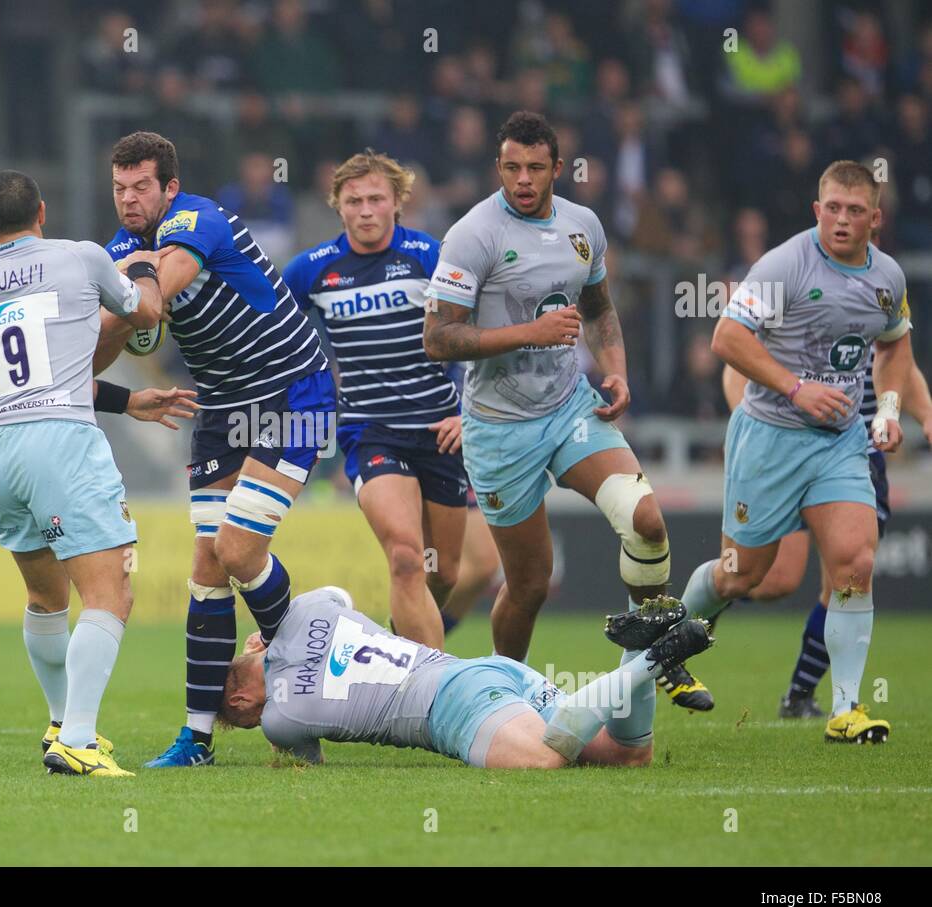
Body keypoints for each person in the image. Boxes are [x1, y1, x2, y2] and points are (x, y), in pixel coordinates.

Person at [422, 111, 707, 712]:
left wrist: (616, 369)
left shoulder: (584, 226)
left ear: (557, 167)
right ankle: (505, 700)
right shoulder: (472, 235)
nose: (522, 180)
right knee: (529, 585)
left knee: (646, 519)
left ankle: (660, 651)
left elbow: (599, 308)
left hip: (569, 408)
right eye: (511, 168)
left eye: (534, 168)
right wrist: (530, 332)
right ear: (498, 168)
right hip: (499, 429)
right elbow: (438, 338)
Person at [95, 131, 336, 768]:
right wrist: (94, 383)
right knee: (206, 565)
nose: (128, 199)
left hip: (292, 391)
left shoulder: (198, 219)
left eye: (141, 186)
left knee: (236, 549)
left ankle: (307, 684)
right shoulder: (120, 249)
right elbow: (107, 338)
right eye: (119, 188)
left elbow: (150, 305)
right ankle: (197, 739)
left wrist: (125, 288)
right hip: (222, 407)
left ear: (169, 188)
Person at [0, 169, 192, 777]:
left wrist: (125, 401)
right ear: (42, 213)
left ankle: (61, 724)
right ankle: (79, 741)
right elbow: (148, 314)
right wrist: (142, 266)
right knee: (110, 594)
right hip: (61, 442)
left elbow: (34, 371)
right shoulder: (81, 257)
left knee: (45, 597)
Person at [677, 161, 914, 744]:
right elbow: (727, 338)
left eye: (854, 210)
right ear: (816, 210)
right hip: (771, 437)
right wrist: (795, 388)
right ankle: (668, 642)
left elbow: (894, 346)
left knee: (855, 563)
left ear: (875, 219)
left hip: (839, 443)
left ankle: (845, 709)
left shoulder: (888, 277)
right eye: (832, 208)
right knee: (742, 575)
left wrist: (887, 409)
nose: (841, 219)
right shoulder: (784, 265)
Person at [283, 150, 465, 649]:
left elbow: (476, 336)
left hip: (441, 431)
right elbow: (274, 331)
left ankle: (401, 641)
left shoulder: (431, 256)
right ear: (337, 206)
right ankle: (432, 689)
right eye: (354, 201)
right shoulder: (312, 270)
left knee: (443, 573)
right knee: (406, 558)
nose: (365, 210)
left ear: (397, 202)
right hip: (371, 432)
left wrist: (468, 414)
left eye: (376, 199)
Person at [217, 589, 712, 769]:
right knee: (627, 755)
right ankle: (638, 649)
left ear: (239, 701)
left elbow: (306, 759)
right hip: (488, 670)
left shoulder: (280, 718)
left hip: (453, 708)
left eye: (244, 721)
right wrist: (268, 639)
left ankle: (651, 659)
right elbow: (338, 594)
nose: (256, 723)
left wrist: (274, 725)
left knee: (545, 759)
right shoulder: (307, 609)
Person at [719, 355, 932, 717]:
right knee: (774, 580)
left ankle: (804, 696)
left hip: (855, 455)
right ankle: (700, 607)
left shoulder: (880, 318)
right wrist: (753, 427)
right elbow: (737, 358)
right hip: (786, 448)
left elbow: (899, 359)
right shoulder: (792, 317)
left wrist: (926, 416)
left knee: (847, 579)